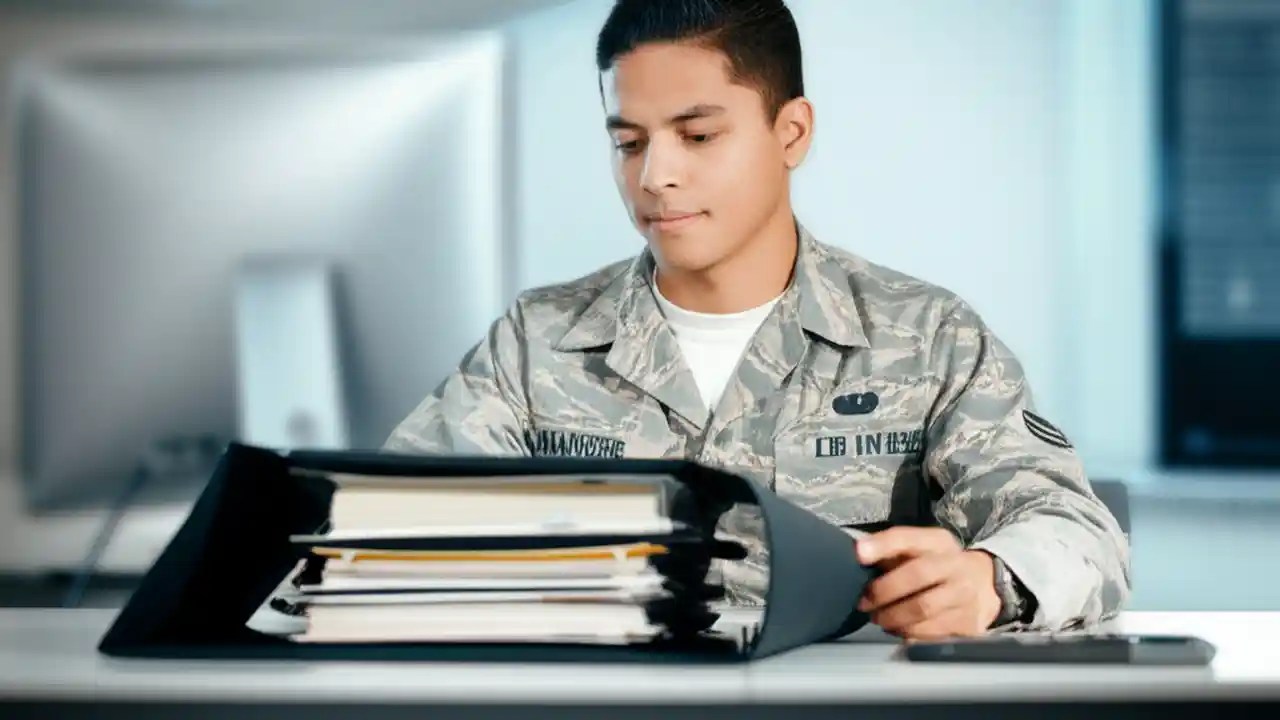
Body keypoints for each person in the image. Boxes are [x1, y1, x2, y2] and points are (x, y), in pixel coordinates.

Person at [385, 0, 1130, 639]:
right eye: (628, 143)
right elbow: (390, 526)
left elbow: (1079, 531)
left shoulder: (928, 339)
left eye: (698, 135)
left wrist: (987, 579)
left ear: (791, 134)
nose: (654, 177)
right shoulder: (536, 341)